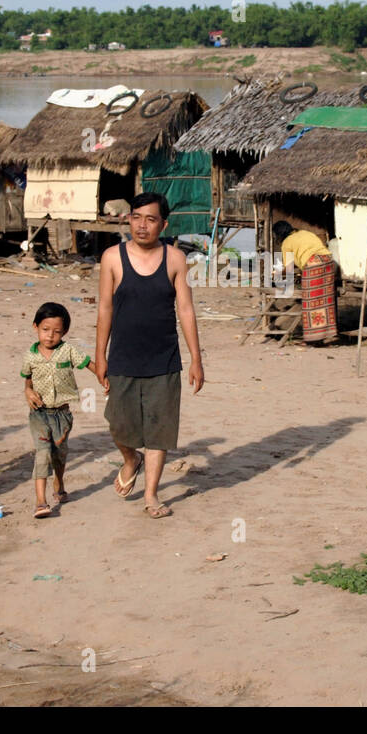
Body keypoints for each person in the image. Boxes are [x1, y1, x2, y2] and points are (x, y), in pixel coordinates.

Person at [95, 192, 204, 518]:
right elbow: (105, 307)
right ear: (129, 219)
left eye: (151, 219)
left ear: (163, 224)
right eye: (137, 217)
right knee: (118, 424)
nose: (142, 225)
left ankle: (151, 495)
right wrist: (99, 355)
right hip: (123, 357)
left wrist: (196, 358)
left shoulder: (175, 259)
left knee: (159, 429)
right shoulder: (112, 257)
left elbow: (185, 309)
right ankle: (131, 459)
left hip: (164, 358)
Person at [22, 302, 95, 519]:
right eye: (45, 330)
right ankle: (41, 501)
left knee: (59, 455)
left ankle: (59, 483)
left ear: (64, 332)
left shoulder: (68, 351)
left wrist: (106, 378)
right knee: (42, 453)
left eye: (56, 332)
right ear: (35, 327)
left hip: (62, 414)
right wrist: (28, 391)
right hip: (39, 413)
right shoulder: (30, 356)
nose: (50, 336)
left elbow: (90, 364)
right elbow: (27, 380)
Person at [272, 220, 338, 343]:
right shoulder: (305, 233)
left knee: (310, 301)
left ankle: (315, 339)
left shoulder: (287, 243)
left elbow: (289, 268)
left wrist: (277, 273)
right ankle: (327, 334)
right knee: (324, 300)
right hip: (328, 262)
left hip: (313, 265)